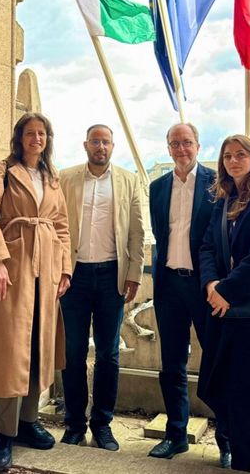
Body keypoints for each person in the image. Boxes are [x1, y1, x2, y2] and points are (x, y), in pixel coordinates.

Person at [0, 112, 72, 471]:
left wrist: (65, 269)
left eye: (42, 133)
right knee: (9, 347)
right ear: (19, 137)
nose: (36, 138)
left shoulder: (52, 177)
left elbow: (62, 226)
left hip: (46, 272)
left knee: (38, 346)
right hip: (12, 270)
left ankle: (28, 422)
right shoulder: (0, 171)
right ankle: (4, 433)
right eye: (30, 133)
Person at [197, 134, 250, 474]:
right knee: (223, 384)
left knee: (246, 387)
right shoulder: (222, 200)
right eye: (228, 156)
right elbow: (206, 246)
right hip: (221, 306)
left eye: (240, 155)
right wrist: (210, 284)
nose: (234, 161)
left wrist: (227, 290)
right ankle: (242, 458)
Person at [58, 124, 147, 450]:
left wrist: (135, 272)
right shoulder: (65, 178)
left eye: (105, 141)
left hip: (112, 276)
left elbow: (137, 231)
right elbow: (57, 225)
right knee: (72, 353)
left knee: (109, 354)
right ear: (86, 145)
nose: (100, 146)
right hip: (74, 276)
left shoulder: (128, 180)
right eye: (95, 141)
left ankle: (103, 425)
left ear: (113, 145)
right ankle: (74, 425)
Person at [147, 122, 231, 462]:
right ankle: (176, 434)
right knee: (172, 365)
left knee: (217, 362)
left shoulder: (217, 184)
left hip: (206, 288)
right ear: (168, 148)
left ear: (198, 146)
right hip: (169, 286)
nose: (181, 149)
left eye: (187, 142)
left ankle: (226, 440)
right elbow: (160, 234)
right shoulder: (157, 187)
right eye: (175, 143)